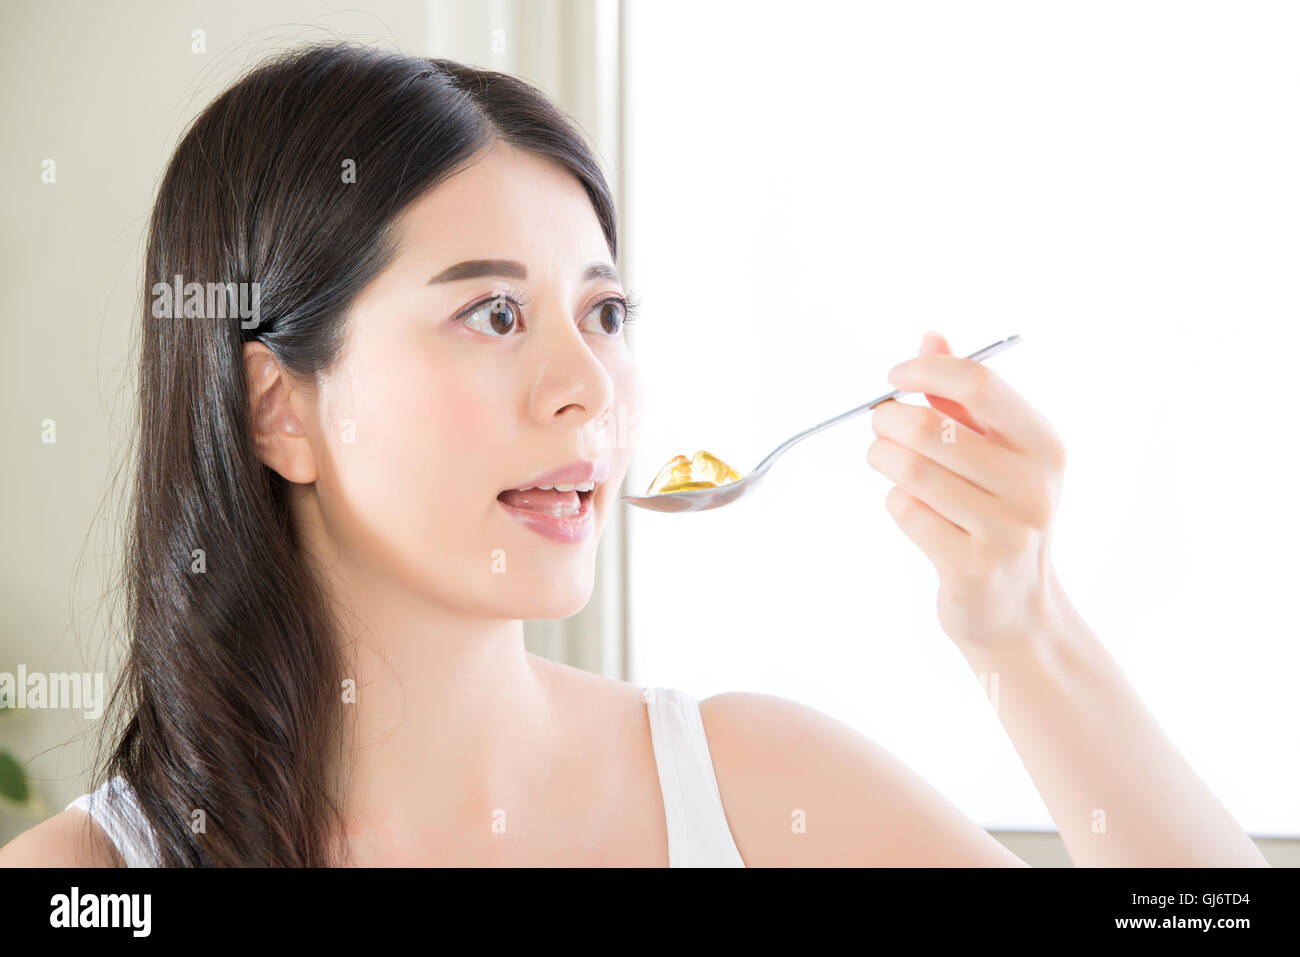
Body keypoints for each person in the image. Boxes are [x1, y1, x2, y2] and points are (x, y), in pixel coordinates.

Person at [0, 42, 1267, 867]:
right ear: (278, 406)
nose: (591, 388)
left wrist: (1022, 625)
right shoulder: (91, 881)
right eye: (493, 313)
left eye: (605, 314)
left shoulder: (757, 790)